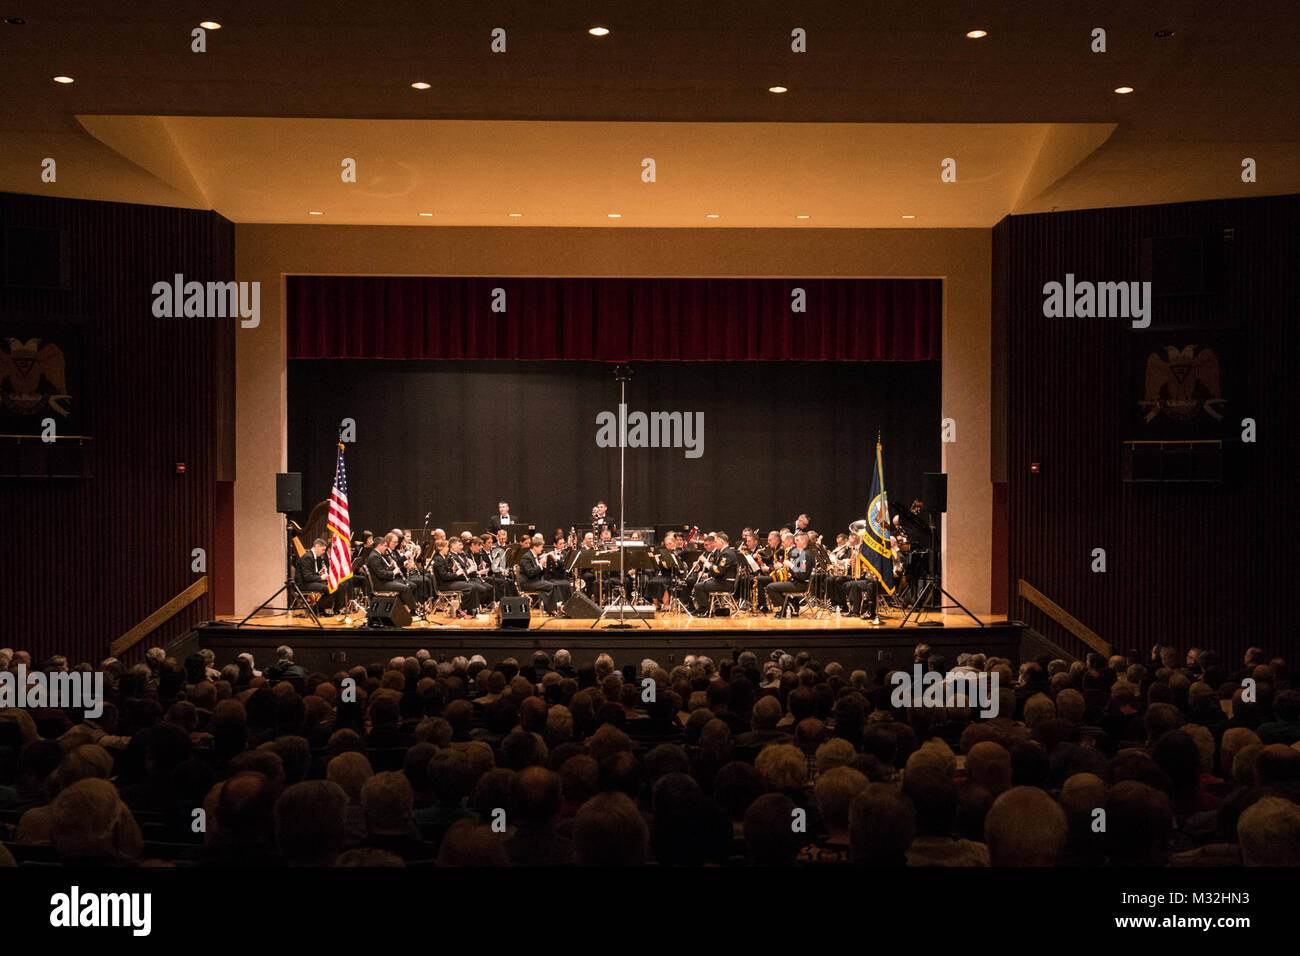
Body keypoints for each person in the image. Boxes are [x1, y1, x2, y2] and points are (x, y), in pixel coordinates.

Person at [366, 532, 421, 619]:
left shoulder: (378, 555)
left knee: (407, 585)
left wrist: (391, 567)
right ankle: (413, 610)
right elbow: (381, 574)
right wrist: (393, 572)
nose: (386, 548)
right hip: (381, 584)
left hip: (385, 581)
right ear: (379, 546)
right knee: (405, 588)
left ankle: (406, 609)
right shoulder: (374, 557)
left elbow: (383, 571)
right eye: (384, 545)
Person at [518, 534, 571, 614]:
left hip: (534, 581)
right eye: (541, 547)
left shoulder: (534, 555)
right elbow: (530, 573)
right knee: (550, 586)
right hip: (527, 583)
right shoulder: (526, 557)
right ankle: (552, 609)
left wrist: (543, 566)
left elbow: (538, 573)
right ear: (535, 547)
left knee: (550, 585)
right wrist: (540, 565)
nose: (542, 549)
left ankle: (553, 607)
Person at [692, 532, 738, 615]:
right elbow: (719, 571)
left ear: (721, 541)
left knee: (698, 586)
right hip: (722, 581)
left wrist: (708, 565)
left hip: (725, 583)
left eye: (716, 542)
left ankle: (704, 610)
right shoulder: (724, 552)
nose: (715, 544)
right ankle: (708, 609)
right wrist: (708, 575)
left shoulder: (727, 553)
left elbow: (720, 571)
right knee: (700, 584)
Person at [766, 531, 811, 615]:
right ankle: (789, 607)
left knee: (771, 587)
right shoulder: (802, 553)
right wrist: (790, 573)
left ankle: (784, 610)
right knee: (775, 584)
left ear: (803, 541)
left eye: (797, 540)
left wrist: (791, 566)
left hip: (800, 585)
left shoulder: (805, 555)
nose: (795, 542)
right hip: (796, 581)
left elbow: (802, 575)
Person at [295, 538, 343, 614]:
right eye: (323, 550)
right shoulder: (308, 557)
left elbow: (310, 574)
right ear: (317, 546)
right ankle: (317, 610)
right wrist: (321, 577)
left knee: (335, 585)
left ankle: (325, 609)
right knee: (329, 588)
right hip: (303, 584)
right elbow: (307, 577)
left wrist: (319, 573)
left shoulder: (312, 556)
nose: (323, 552)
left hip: (308, 582)